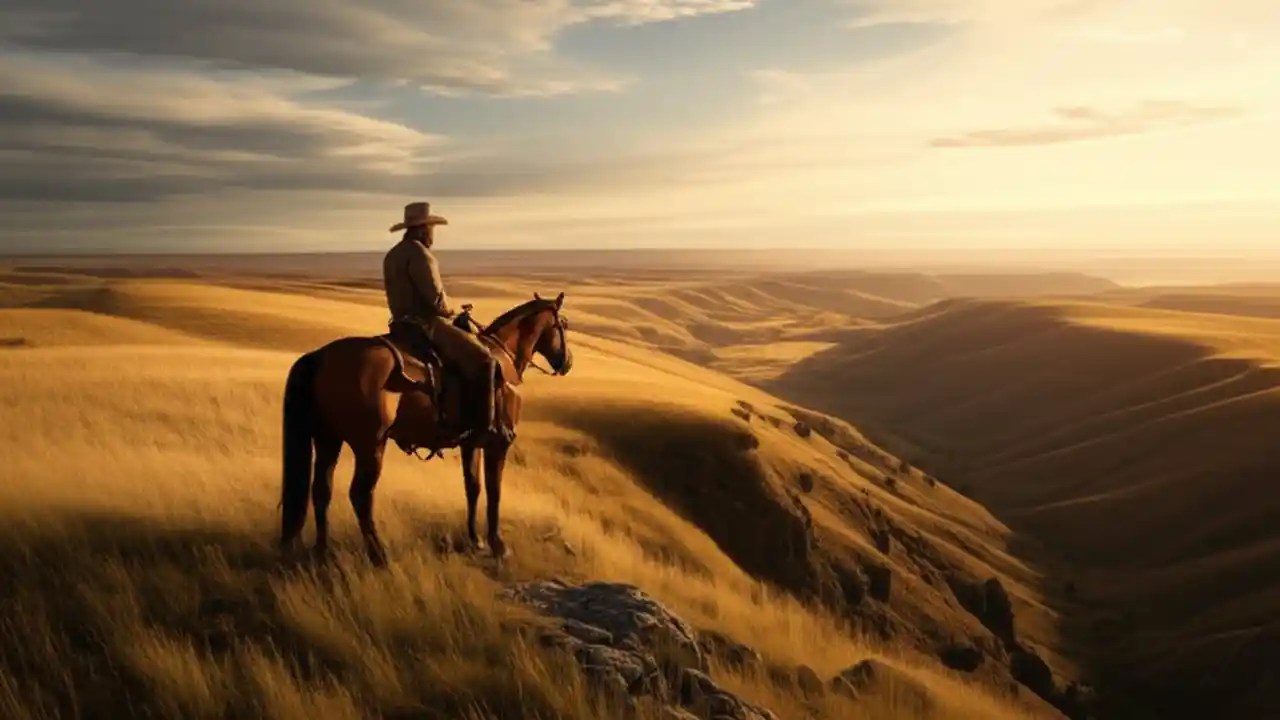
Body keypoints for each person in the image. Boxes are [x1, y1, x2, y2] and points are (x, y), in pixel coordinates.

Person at [382, 201, 508, 441]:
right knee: (485, 360)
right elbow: (436, 301)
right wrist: (451, 311)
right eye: (430, 229)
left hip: (398, 324)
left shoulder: (392, 255)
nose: (432, 235)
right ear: (421, 230)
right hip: (426, 325)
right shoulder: (421, 254)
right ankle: (483, 429)